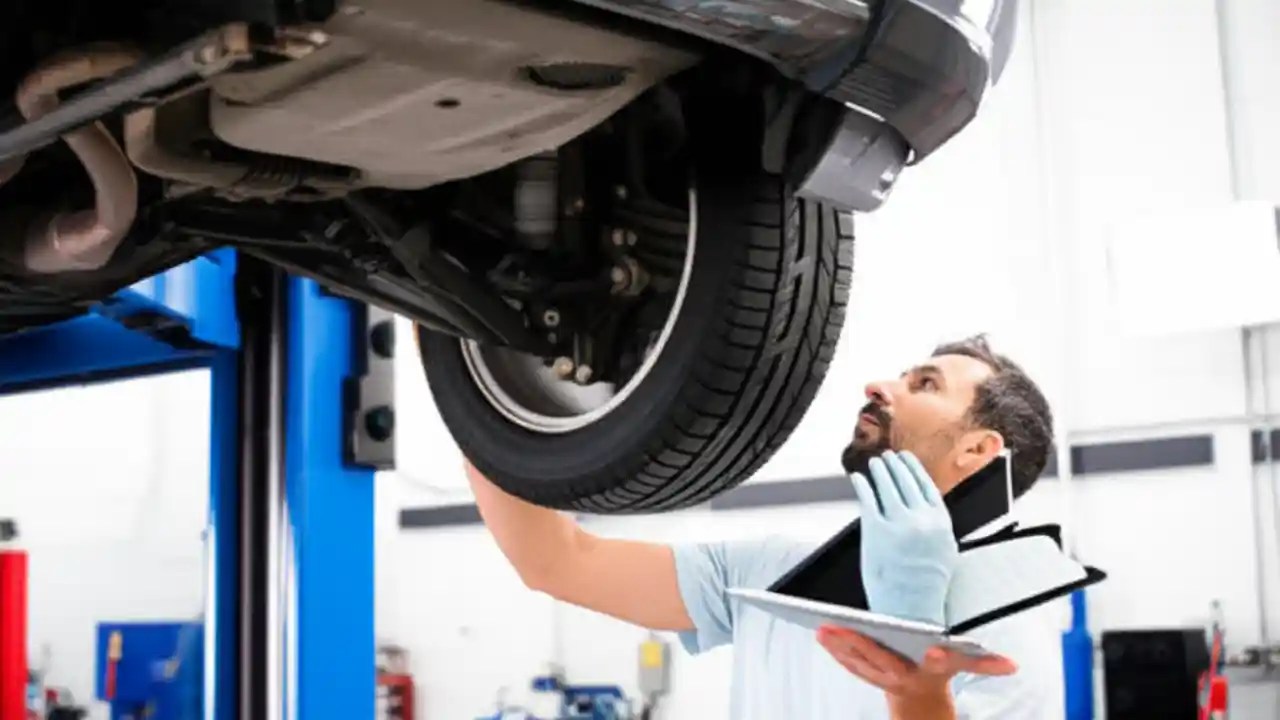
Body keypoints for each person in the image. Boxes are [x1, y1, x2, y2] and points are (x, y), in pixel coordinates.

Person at [465, 335, 1060, 720]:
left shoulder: (1006, 639)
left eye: (925, 384)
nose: (880, 386)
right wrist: (465, 374)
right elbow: (555, 561)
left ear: (978, 450)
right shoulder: (776, 575)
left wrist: (917, 691)